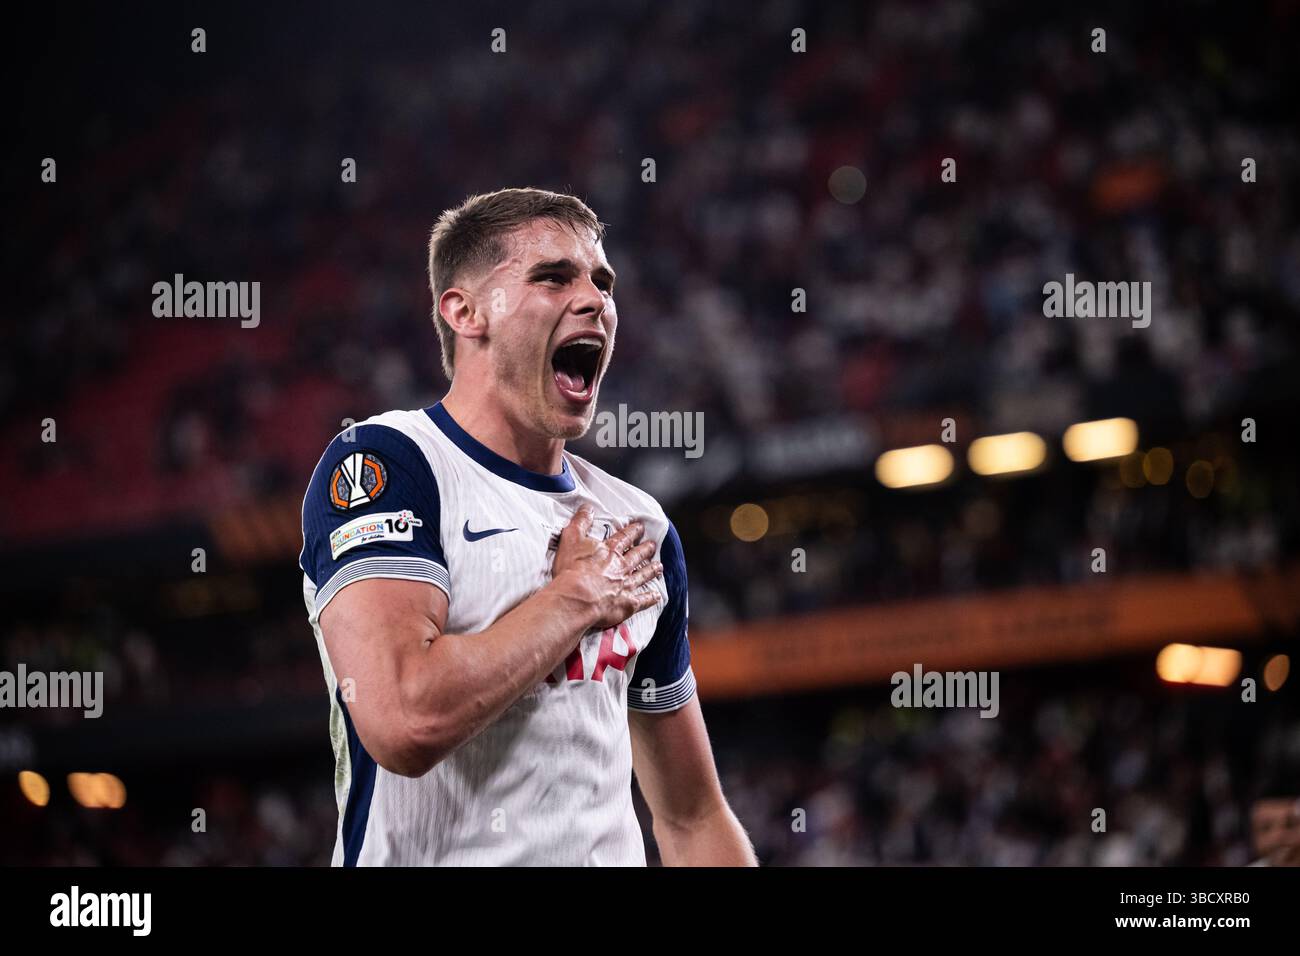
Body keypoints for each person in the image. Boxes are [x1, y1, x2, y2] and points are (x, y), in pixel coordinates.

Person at [298, 187, 755, 865]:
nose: (595, 299)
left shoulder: (638, 526)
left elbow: (691, 815)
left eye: (603, 282)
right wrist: (573, 600)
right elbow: (404, 719)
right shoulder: (388, 462)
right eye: (553, 276)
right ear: (465, 311)